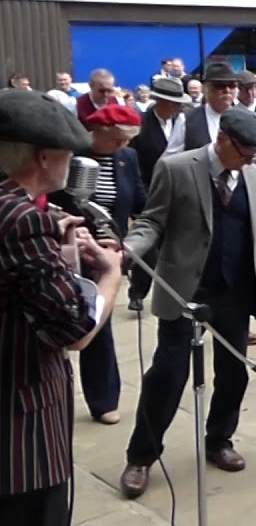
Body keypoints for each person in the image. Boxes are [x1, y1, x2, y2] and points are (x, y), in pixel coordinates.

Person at [118, 109, 256, 498]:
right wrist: (128, 250)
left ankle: (219, 440)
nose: (250, 161)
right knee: (168, 375)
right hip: (184, 290)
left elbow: (255, 233)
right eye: (245, 152)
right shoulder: (176, 169)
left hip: (235, 291)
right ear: (223, 139)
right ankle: (141, 455)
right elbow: (151, 222)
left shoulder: (254, 174)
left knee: (234, 372)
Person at [0, 90, 122, 525]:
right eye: (68, 153)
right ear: (44, 157)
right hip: (20, 443)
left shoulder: (17, 210)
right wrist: (110, 276)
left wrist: (63, 259)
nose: (72, 161)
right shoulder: (25, 222)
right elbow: (76, 333)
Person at [48, 104, 146, 426]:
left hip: (104, 252)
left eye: (126, 143)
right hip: (62, 249)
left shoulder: (127, 159)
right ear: (97, 132)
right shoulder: (68, 157)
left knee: (99, 325)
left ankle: (103, 399)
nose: (122, 147)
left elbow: (138, 200)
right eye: (116, 140)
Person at [126, 76, 190, 312]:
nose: (175, 108)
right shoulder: (141, 126)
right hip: (148, 194)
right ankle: (137, 292)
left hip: (178, 193)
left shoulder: (183, 122)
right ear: (158, 101)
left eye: (178, 104)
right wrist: (139, 198)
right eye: (171, 103)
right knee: (148, 248)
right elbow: (133, 166)